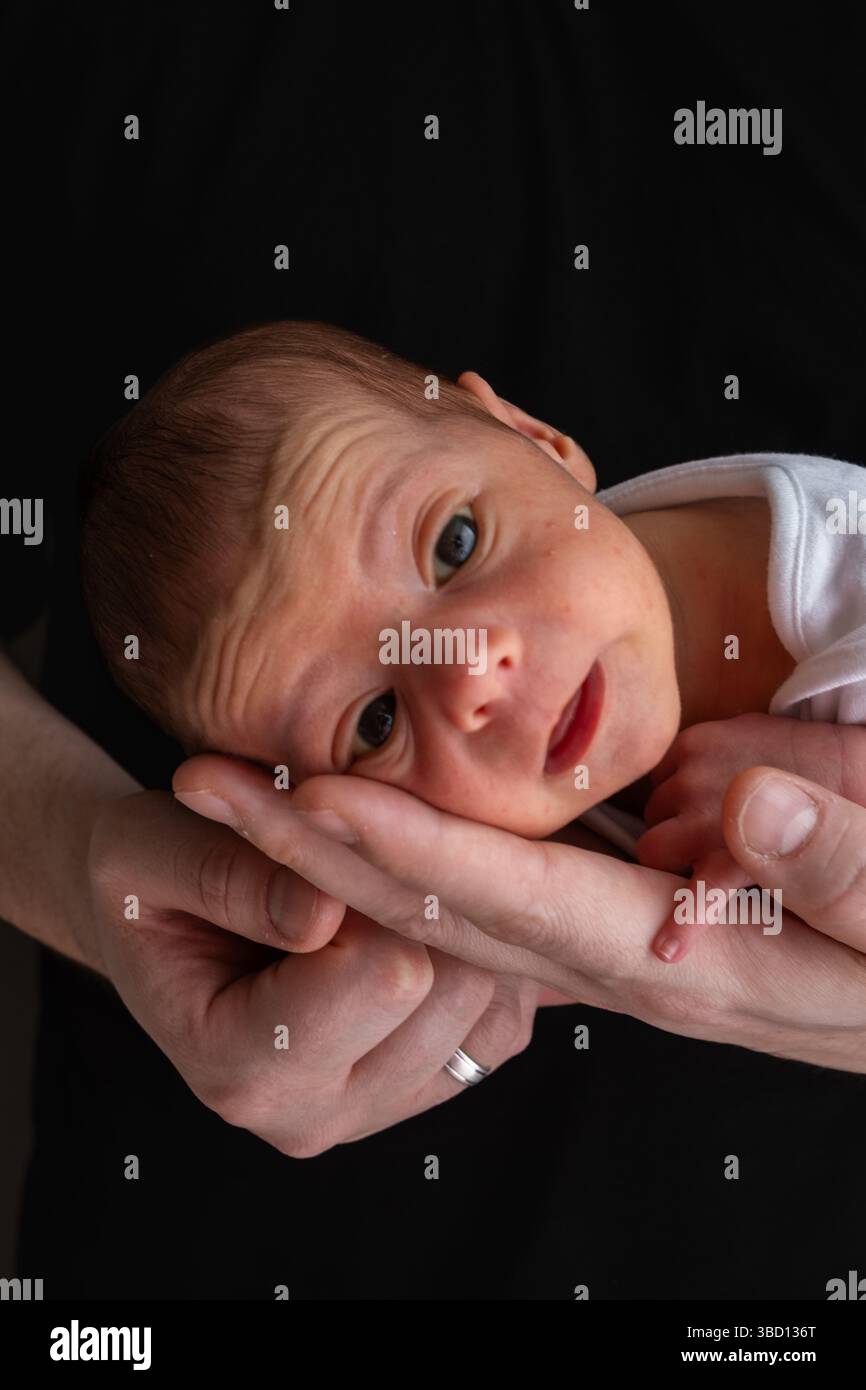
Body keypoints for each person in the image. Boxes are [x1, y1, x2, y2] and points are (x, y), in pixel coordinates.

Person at [80, 318, 866, 969]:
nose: (470, 675)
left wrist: (797, 801)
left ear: (534, 435)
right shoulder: (528, 874)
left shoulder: (841, 571)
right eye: (376, 722)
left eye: (455, 544)